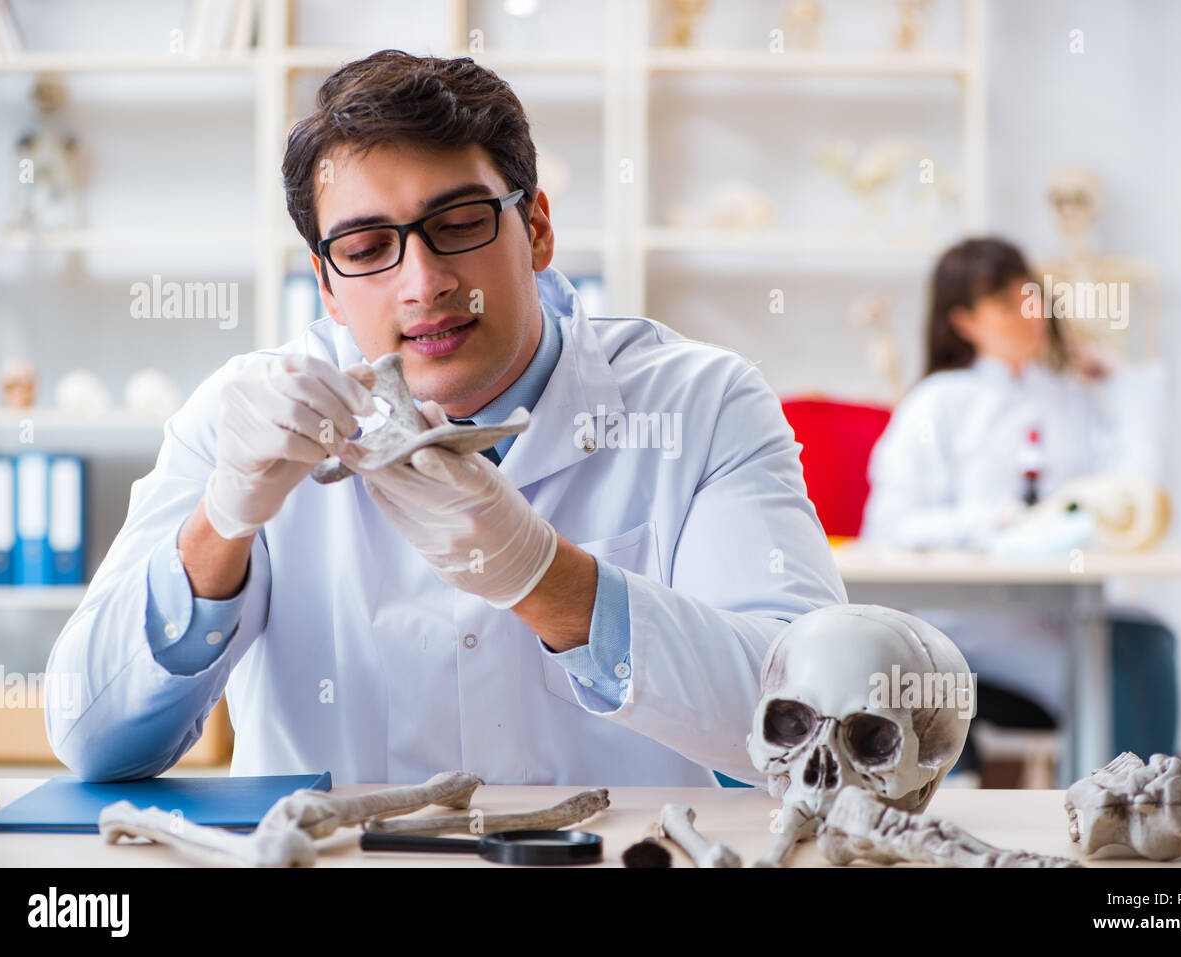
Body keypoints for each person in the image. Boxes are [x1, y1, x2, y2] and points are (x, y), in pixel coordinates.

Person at [44, 51, 846, 786]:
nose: (423, 283)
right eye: (365, 247)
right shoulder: (247, 416)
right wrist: (220, 526)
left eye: (459, 224)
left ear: (535, 230)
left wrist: (549, 580)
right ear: (326, 283)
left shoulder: (700, 405)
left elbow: (824, 722)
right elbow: (90, 736)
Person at [860, 237, 1177, 771]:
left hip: (1058, 611)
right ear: (964, 321)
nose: (1031, 314)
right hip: (969, 625)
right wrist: (994, 523)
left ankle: (1134, 811)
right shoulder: (938, 404)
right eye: (1007, 305)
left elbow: (1132, 502)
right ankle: (1108, 805)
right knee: (1111, 663)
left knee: (1144, 641)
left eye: (1033, 297)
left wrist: (1125, 389)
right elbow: (890, 527)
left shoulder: (1067, 398)